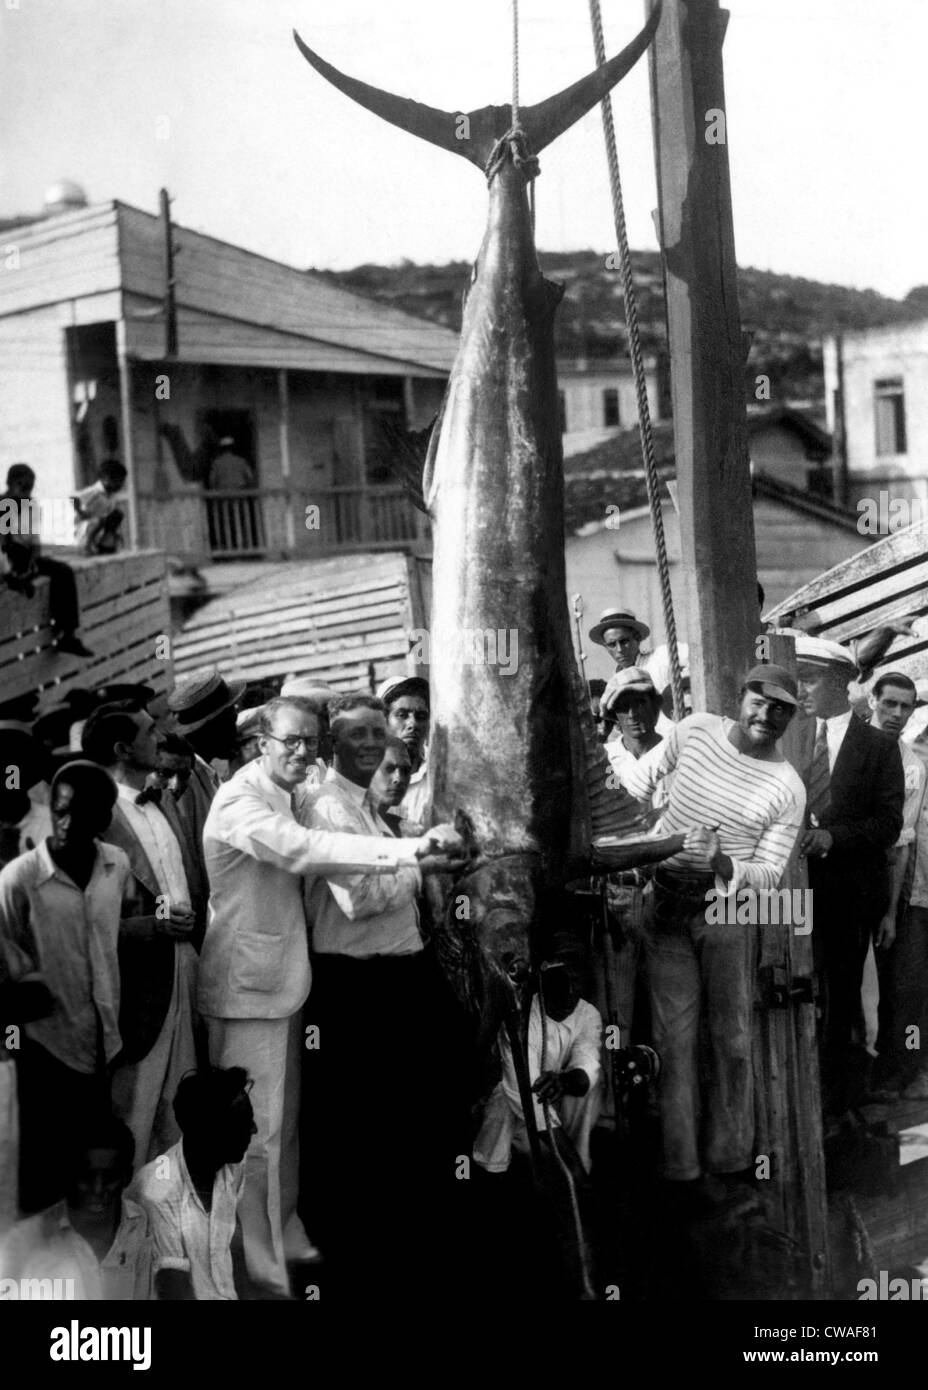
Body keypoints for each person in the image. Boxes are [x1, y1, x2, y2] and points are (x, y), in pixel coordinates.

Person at [197, 694, 466, 1298]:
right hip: (248, 990)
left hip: (285, 984)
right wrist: (410, 852)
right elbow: (308, 850)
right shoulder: (242, 800)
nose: (302, 751)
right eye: (289, 741)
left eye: (309, 741)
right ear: (259, 743)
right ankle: (254, 1269)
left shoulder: (286, 791)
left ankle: (285, 1239)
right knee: (254, 1138)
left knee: (283, 1133)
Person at [610, 663, 807, 1207]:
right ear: (739, 697)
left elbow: (769, 875)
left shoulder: (788, 787)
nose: (766, 715)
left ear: (791, 717)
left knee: (732, 1041)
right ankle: (681, 1170)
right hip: (664, 904)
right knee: (674, 1044)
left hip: (725, 912)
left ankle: (730, 1161)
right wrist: (646, 830)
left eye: (780, 709)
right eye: (759, 702)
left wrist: (722, 861)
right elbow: (635, 781)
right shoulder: (693, 728)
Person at [301, 693, 472, 1289]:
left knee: (412, 1119)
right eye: (359, 736)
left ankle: (411, 1247)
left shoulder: (371, 810)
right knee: (364, 1131)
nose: (374, 746)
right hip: (358, 986)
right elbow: (359, 900)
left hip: (398, 976)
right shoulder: (328, 807)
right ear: (333, 744)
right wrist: (422, 866)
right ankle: (366, 1263)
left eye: (379, 734)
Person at [0, 760, 129, 1212]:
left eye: (82, 813)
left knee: (93, 1175)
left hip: (104, 1048)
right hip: (46, 1053)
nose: (67, 823)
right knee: (43, 1175)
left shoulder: (117, 866)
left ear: (105, 820)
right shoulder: (18, 879)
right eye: (60, 811)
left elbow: (112, 942)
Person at [80, 704, 202, 1168]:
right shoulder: (95, 817)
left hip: (182, 976)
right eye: (150, 732)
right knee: (133, 1120)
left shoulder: (159, 802)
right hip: (135, 997)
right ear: (122, 749)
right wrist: (153, 927)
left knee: (178, 1118)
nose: (160, 736)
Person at [795, 636, 905, 1117]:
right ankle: (799, 1096)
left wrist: (833, 838)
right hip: (792, 892)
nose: (802, 690)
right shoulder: (789, 735)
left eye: (811, 679)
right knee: (794, 987)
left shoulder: (878, 745)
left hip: (847, 893)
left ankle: (839, 1107)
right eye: (799, 679)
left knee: (840, 999)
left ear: (841, 683)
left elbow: (889, 824)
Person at [473, 944, 603, 1176]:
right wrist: (569, 1159)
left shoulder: (588, 1014)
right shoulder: (522, 1017)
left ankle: (573, 1170)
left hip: (553, 1121)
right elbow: (526, 1092)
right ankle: (491, 1169)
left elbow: (587, 1063)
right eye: (564, 974)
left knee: (587, 1085)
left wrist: (563, 1082)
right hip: (524, 1122)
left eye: (577, 974)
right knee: (505, 1094)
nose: (571, 985)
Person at [132, 1067, 256, 1301]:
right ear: (210, 1133)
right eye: (242, 1124)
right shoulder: (157, 1190)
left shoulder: (234, 1164)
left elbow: (233, 1250)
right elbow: (172, 1290)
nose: (254, 1130)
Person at [0, 1114, 152, 1300]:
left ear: (126, 1177)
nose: (97, 1189)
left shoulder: (137, 1224)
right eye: (87, 1177)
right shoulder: (26, 1238)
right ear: (70, 1176)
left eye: (109, 1178)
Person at [865, 673, 927, 1097]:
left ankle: (906, 1070)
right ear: (874, 701)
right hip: (887, 891)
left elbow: (903, 842)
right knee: (875, 988)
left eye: (906, 707)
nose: (897, 714)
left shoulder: (913, 764)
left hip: (908, 895)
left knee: (908, 989)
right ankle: (872, 1075)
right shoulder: (912, 758)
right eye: (890, 704)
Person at [1, 463, 93, 657]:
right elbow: (3, 542)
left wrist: (34, 561)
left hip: (25, 555)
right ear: (9, 484)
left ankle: (67, 634)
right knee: (16, 552)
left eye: (29, 487)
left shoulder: (31, 506)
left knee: (64, 571)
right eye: (22, 486)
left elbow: (34, 541)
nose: (26, 492)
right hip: (7, 557)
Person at [377, 675, 430, 825]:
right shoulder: (368, 776)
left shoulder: (438, 772)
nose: (413, 724)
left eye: (421, 716)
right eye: (402, 715)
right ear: (383, 721)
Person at [73, 459, 127, 555]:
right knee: (100, 519)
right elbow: (75, 499)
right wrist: (81, 513)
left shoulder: (110, 496)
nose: (121, 485)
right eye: (118, 481)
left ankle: (104, 545)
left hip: (98, 530)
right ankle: (86, 545)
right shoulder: (94, 492)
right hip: (86, 528)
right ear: (106, 478)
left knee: (117, 515)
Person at [368, 734, 415, 834]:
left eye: (405, 771)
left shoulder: (405, 830)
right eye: (389, 769)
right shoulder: (349, 820)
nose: (399, 779)